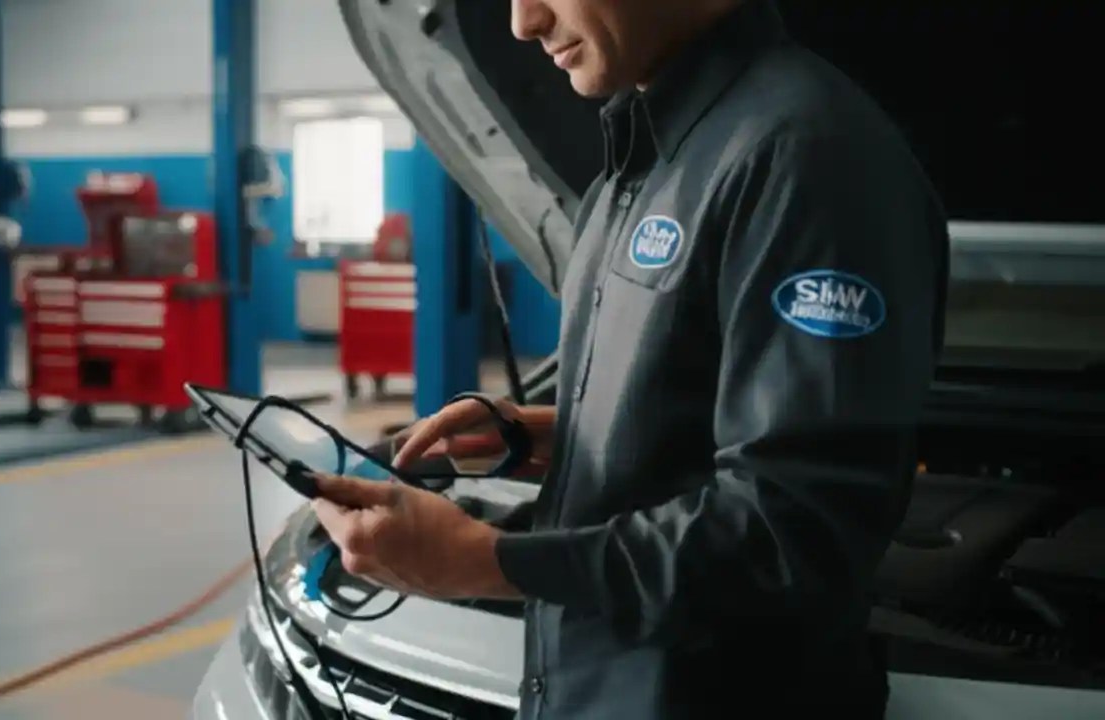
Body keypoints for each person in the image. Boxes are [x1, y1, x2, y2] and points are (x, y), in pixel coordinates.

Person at [309, 0, 949, 717]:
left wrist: (484, 562)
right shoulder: (642, 159)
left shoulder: (804, 157)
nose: (523, 22)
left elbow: (792, 533)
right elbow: (696, 408)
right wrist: (553, 434)